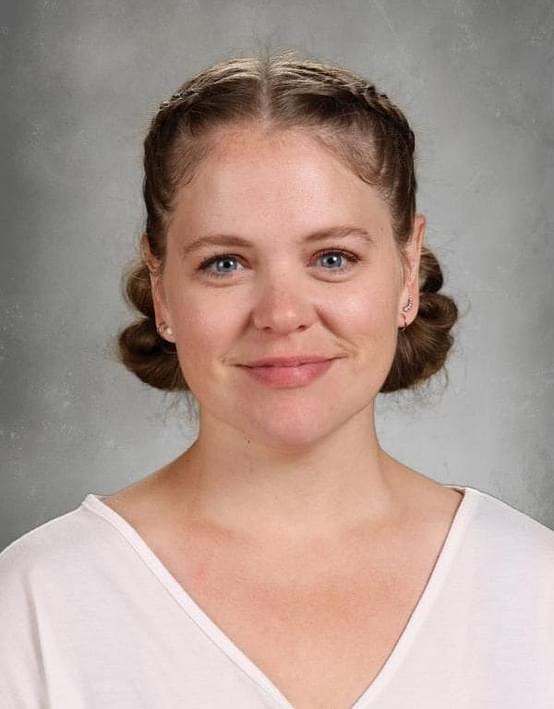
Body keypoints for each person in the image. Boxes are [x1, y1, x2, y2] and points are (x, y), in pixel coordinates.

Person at [1, 49, 553, 709]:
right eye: (225, 263)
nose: (282, 314)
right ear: (162, 287)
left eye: (332, 257)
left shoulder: (534, 587)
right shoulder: (33, 606)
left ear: (407, 271)